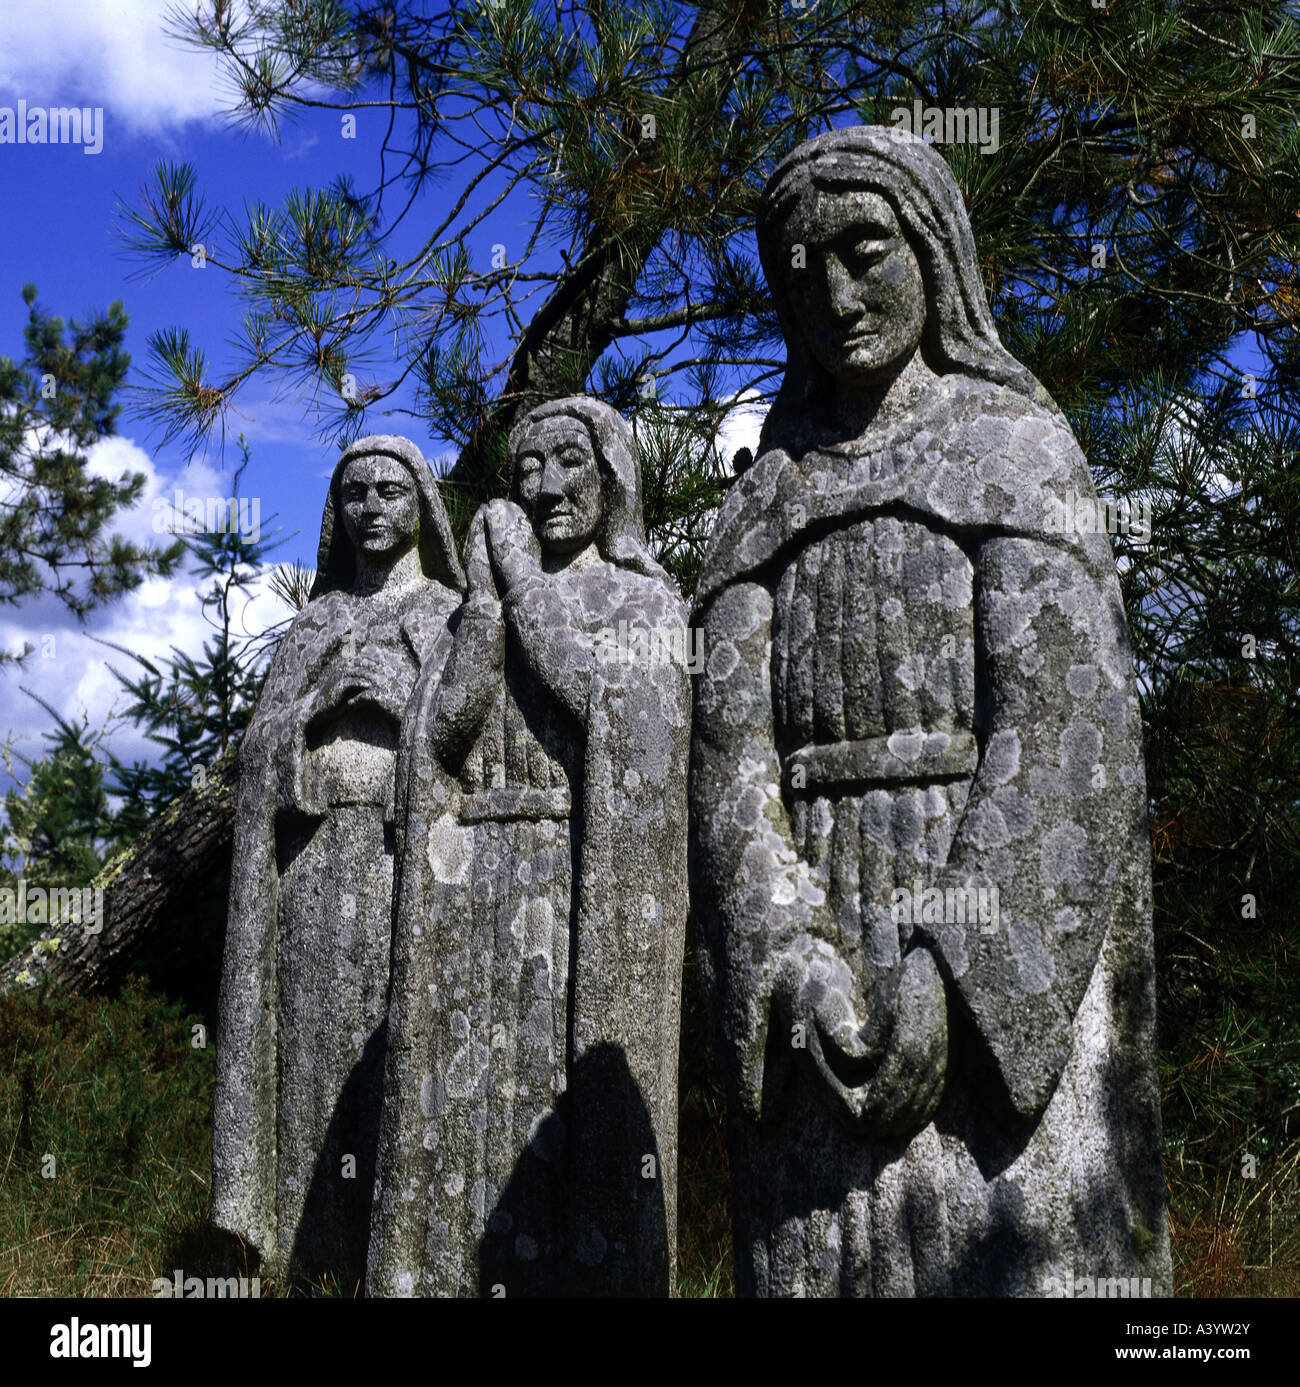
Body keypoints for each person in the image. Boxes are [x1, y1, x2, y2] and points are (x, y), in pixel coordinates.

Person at [690, 125, 1171, 1296]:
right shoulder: (763, 498)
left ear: (935, 252)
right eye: (804, 276)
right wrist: (785, 952)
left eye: (868, 252)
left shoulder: (1013, 449)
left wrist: (952, 968)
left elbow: (1064, 732)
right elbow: (726, 760)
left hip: (976, 908)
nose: (839, 297)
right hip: (813, 934)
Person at [368, 397, 690, 1297]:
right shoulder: (490, 602)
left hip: (578, 885)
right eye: (525, 471)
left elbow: (613, 711)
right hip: (473, 887)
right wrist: (480, 608)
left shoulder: (644, 598)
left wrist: (519, 582)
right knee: (471, 1109)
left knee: (561, 1111)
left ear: (612, 474)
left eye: (568, 463)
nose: (544, 487)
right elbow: (436, 743)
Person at [212, 435, 464, 1290]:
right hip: (315, 873)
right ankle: (307, 1255)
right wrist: (314, 705)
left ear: (423, 505)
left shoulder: (446, 617)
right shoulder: (312, 624)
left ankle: (403, 1267)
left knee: (400, 1062)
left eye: (392, 491)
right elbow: (256, 761)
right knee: (311, 1063)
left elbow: (481, 748)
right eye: (355, 493)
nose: (373, 509)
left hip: (411, 869)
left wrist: (411, 707)